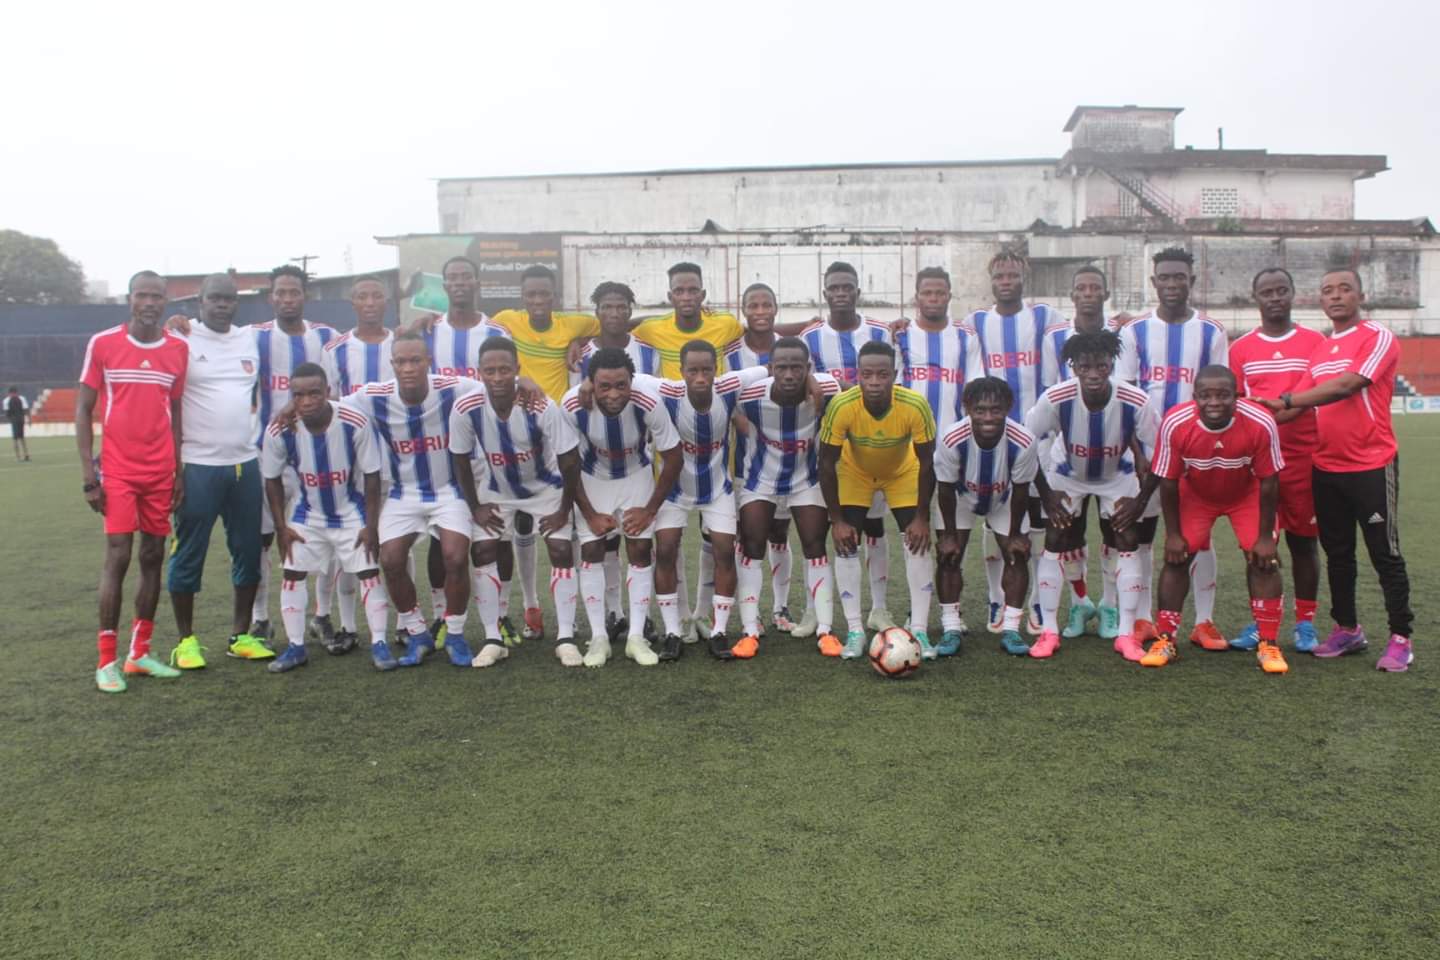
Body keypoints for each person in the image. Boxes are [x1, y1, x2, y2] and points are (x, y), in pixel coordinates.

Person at [1258, 268, 1414, 671]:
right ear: (1320, 301)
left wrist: (1287, 397)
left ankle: (1401, 637)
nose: (1336, 296)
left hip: (1371, 464)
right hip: (1325, 466)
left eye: (1345, 289)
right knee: (1338, 554)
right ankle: (1347, 629)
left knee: (1385, 554)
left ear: (1360, 295)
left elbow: (1347, 385)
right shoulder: (1322, 349)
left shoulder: (1376, 336)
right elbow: (1297, 408)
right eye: (1328, 290)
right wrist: (1252, 424)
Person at [1128, 366, 1288, 674]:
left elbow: (1269, 481)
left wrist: (1266, 536)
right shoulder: (1176, 421)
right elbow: (1169, 481)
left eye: (1223, 395)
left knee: (1263, 560)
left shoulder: (1260, 421)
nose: (1214, 402)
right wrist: (1173, 534)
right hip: (1197, 494)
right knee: (1177, 557)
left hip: (1246, 494)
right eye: (1206, 395)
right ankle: (1166, 639)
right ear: (1195, 397)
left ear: (1236, 397)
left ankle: (1268, 643)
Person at [77, 271, 189, 692]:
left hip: (160, 472)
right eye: (141, 295)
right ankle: (106, 660)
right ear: (129, 299)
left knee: (153, 555)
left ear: (165, 302)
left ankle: (139, 654)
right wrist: (90, 475)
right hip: (119, 471)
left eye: (156, 296)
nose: (149, 302)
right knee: (118, 556)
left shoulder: (177, 350)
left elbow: (176, 414)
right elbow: (83, 410)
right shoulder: (104, 344)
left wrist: (178, 472)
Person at [1116, 247, 1229, 650]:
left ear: (1191, 281)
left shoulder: (1212, 332)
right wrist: (1139, 453)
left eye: (1179, 277)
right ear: (1154, 282)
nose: (1171, 284)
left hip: (1197, 455)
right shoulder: (1134, 332)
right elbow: (1124, 397)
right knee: (1143, 535)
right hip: (1146, 455)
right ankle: (1144, 618)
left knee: (1199, 538)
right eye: (1164, 277)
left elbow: (1222, 396)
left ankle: (1205, 621)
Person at [345, 331, 478, 668]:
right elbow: (331, 407)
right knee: (389, 559)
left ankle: (456, 633)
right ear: (392, 364)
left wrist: (527, 383)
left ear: (428, 362)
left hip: (449, 491)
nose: (408, 368)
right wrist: (290, 408)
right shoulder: (374, 396)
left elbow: (496, 384)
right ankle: (418, 633)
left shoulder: (452, 388)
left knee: (455, 556)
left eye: (415, 360)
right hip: (403, 494)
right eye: (401, 361)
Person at [450, 338, 585, 668]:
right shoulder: (466, 407)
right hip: (497, 492)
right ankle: (493, 638)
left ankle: (565, 637)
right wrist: (475, 508)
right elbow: (460, 461)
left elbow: (569, 460)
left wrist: (564, 509)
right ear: (479, 372)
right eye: (490, 370)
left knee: (561, 549)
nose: (497, 377)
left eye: (505, 370)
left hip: (546, 489)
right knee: (482, 550)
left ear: (517, 371)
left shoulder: (540, 406)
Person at [1025, 331, 1158, 660]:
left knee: (1128, 539)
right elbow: (1025, 444)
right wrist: (1046, 494)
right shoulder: (1056, 398)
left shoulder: (1136, 400)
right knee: (1056, 539)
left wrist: (1140, 500)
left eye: (1102, 365)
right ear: (1074, 367)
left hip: (1118, 475)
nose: (1095, 373)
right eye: (1086, 366)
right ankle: (1049, 632)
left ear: (1112, 363)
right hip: (1068, 474)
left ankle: (1126, 635)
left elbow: (1161, 452)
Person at [487, 264, 601, 645]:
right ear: (522, 297)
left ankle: (568, 620)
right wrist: (520, 377)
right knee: (515, 524)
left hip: (555, 430)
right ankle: (530, 605)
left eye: (544, 295)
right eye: (531, 295)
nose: (538, 301)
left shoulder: (572, 324)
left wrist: (579, 346)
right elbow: (483, 344)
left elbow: (609, 324)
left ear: (555, 297)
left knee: (556, 527)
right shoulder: (505, 320)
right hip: (512, 429)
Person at [165, 274, 269, 667]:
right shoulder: (182, 338)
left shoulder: (249, 339)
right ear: (200, 303)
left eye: (229, 299)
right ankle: (186, 640)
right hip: (198, 465)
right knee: (189, 550)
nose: (222, 305)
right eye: (215, 299)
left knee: (247, 550)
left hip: (244, 465)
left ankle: (240, 635)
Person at [965, 250, 1069, 636]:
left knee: (1040, 525)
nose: (1006, 281)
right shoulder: (975, 322)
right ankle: (997, 598)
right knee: (995, 524)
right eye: (999, 276)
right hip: (992, 439)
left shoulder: (1046, 317)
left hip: (1039, 438)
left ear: (1023, 275)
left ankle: (1040, 603)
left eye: (1012, 274)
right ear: (991, 280)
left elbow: (1077, 343)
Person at [560, 347, 684, 667]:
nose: (614, 394)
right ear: (591, 384)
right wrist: (589, 514)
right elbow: (568, 464)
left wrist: (649, 510)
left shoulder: (647, 402)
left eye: (621, 385)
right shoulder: (573, 404)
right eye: (604, 386)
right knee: (591, 553)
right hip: (593, 478)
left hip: (635, 475)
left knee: (640, 549)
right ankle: (599, 637)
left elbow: (673, 457)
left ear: (632, 381)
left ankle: (636, 637)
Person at [261, 362, 388, 672]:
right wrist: (281, 528)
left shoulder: (353, 421)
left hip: (350, 512)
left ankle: (380, 644)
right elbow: (272, 479)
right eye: (298, 395)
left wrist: (371, 526)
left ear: (328, 392)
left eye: (314, 393)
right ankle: (295, 647)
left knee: (368, 571)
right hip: (307, 515)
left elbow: (372, 476)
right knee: (292, 572)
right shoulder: (281, 428)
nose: (306, 401)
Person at [1226, 267, 1326, 653]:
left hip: (1303, 457)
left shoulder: (1315, 342)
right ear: (1256, 298)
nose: (1274, 297)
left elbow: (1313, 394)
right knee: (1258, 545)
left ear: (1293, 294)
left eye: (1281, 290)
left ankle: (1305, 624)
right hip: (1259, 462)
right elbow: (1235, 405)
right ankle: (1260, 622)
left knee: (1304, 542)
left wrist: (1280, 414)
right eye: (1266, 291)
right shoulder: (1241, 349)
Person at [818, 341, 937, 659]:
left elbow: (927, 462)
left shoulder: (914, 404)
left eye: (882, 375)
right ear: (857, 375)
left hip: (902, 472)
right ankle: (855, 629)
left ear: (894, 375)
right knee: (845, 543)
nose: (873, 382)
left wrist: (922, 517)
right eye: (867, 374)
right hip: (856, 473)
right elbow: (826, 463)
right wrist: (837, 520)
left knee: (918, 542)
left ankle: (921, 632)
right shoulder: (843, 405)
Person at [651, 341, 769, 659]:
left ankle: (718, 632)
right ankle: (673, 631)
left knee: (724, 552)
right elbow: (628, 376)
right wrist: (590, 383)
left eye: (706, 369)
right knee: (664, 550)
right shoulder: (667, 391)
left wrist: (812, 380)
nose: (700, 377)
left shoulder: (730, 386)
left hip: (718, 490)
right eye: (693, 370)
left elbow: (770, 366)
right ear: (682, 371)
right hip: (675, 492)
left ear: (716, 370)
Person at [798, 261, 898, 634]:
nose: (841, 293)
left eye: (848, 287)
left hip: (871, 447)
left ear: (858, 291)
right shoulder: (810, 337)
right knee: (818, 529)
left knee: (874, 526)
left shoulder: (881, 332)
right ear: (825, 293)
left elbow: (894, 380)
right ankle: (813, 608)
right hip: (821, 446)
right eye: (834, 287)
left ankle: (880, 608)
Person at [733, 338, 842, 656]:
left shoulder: (826, 387)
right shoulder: (750, 394)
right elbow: (712, 396)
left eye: (797, 367)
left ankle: (825, 630)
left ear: (809, 369)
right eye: (782, 367)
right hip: (760, 481)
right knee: (752, 546)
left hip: (805, 481)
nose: (789, 374)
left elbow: (854, 388)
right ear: (770, 369)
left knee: (815, 545)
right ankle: (749, 630)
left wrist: (816, 382)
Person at [895, 266, 984, 653]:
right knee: (910, 534)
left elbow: (976, 390)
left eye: (940, 293)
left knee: (953, 533)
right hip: (906, 452)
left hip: (953, 449)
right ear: (917, 296)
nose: (933, 299)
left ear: (949, 295)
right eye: (926, 293)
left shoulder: (966, 338)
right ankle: (911, 615)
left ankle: (952, 610)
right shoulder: (899, 337)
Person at [315, 274, 394, 652]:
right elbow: (325, 400)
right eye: (362, 296)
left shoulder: (403, 343)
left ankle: (401, 622)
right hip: (347, 460)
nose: (370, 302)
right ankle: (344, 624)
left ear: (386, 300)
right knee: (342, 543)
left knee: (395, 540)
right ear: (353, 303)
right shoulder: (335, 349)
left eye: (376, 295)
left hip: (395, 457)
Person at [578, 280, 660, 640]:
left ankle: (640, 619)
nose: (614, 313)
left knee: (640, 540)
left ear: (630, 311)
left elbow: (650, 394)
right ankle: (613, 613)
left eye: (621, 307)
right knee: (605, 539)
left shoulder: (647, 351)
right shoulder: (581, 353)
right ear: (596, 312)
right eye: (607, 307)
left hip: (637, 456)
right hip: (594, 457)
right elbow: (580, 397)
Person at [932, 377, 1039, 655]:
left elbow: (1022, 491)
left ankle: (1012, 630)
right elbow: (943, 489)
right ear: (967, 407)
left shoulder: (1024, 440)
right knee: (949, 555)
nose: (988, 417)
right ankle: (951, 628)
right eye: (980, 410)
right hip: (959, 498)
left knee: (1016, 555)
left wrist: (1016, 534)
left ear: (1008, 407)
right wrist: (950, 537)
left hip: (1003, 498)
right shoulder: (951, 438)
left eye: (996, 409)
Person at [1053, 265, 1127, 641]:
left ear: (1105, 292)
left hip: (1116, 456)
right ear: (1072, 294)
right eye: (1080, 287)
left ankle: (1111, 605)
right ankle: (1080, 603)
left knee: (1115, 531)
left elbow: (1128, 386)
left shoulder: (1124, 333)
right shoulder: (1053, 335)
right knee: (1069, 534)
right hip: (1069, 458)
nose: (1087, 293)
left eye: (1094, 287)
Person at [724, 282, 797, 634]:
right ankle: (747, 615)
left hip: (789, 461)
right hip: (749, 462)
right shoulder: (730, 353)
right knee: (748, 536)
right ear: (744, 310)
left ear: (775, 308)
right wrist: (739, 420)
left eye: (766, 304)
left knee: (780, 533)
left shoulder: (791, 348)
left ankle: (781, 609)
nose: (760, 311)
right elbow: (722, 395)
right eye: (753, 305)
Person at [6, 387, 30, 461]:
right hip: (21, 420)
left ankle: (18, 457)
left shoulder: (9, 401)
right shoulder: (20, 399)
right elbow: (24, 410)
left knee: (15, 439)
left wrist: (10, 418)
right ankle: (26, 455)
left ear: (11, 393)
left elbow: (8, 413)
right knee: (22, 438)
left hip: (15, 421)